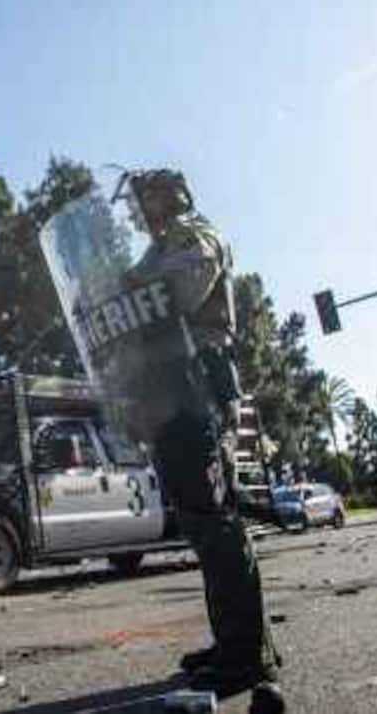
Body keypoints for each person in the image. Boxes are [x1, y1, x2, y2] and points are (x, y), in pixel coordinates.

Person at [123, 170, 284, 712]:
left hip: (198, 380)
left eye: (148, 196)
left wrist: (130, 288)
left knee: (216, 519)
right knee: (200, 519)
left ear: (171, 196)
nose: (140, 208)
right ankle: (233, 641)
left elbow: (185, 290)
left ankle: (246, 656)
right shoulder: (154, 251)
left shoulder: (193, 233)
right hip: (168, 388)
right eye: (138, 200)